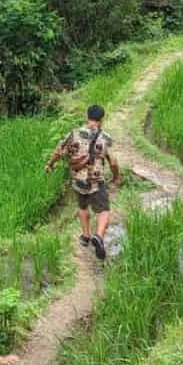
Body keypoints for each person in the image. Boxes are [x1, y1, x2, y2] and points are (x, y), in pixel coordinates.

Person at [44, 104, 121, 260]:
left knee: (82, 206)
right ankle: (98, 236)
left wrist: (50, 164)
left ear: (87, 117)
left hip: (78, 180)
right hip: (96, 180)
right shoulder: (105, 138)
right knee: (104, 211)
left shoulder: (74, 134)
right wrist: (116, 177)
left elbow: (59, 150)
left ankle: (86, 236)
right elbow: (113, 162)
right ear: (102, 120)